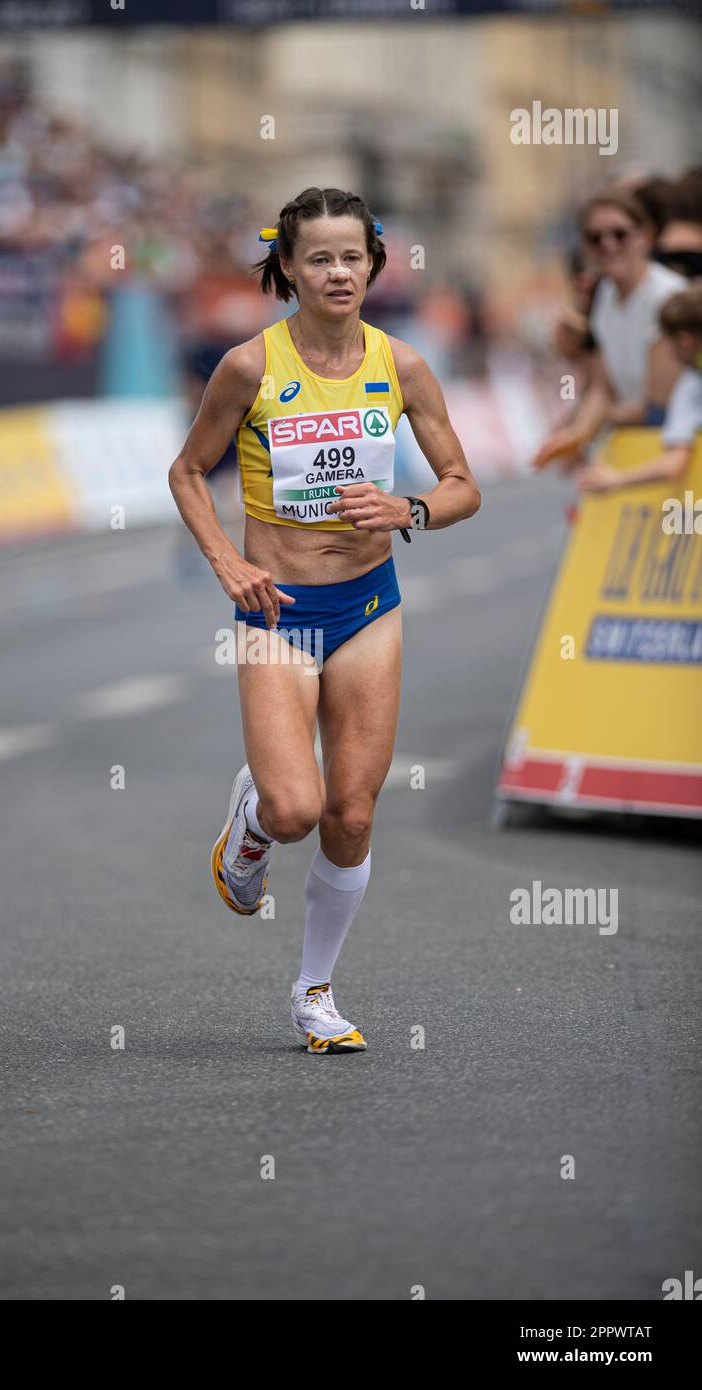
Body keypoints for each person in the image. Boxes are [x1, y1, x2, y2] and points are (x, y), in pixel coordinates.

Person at [168, 187, 480, 1055]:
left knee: (351, 812)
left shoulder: (403, 364)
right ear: (289, 269)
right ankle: (255, 821)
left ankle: (314, 992)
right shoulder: (248, 367)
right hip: (280, 610)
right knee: (298, 808)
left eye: (352, 256)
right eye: (319, 258)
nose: (338, 272)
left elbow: (464, 486)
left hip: (370, 607)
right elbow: (189, 472)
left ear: (373, 263)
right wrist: (227, 562)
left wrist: (408, 510)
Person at [534, 189, 686, 471]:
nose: (608, 245)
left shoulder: (668, 297)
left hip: (677, 449)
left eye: (620, 234)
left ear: (646, 235)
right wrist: (575, 433)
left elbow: (656, 406)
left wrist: (587, 427)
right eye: (595, 237)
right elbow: (601, 389)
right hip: (635, 448)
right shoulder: (604, 294)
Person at [578, 281, 702, 494]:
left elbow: (674, 464)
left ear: (685, 341)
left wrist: (615, 480)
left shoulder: (692, 385)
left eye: (667, 345)